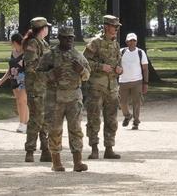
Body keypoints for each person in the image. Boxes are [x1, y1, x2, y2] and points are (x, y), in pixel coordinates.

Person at [36, 25, 90, 172]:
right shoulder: (50, 56)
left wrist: (82, 71)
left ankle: (78, 162)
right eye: (65, 38)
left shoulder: (78, 56)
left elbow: (87, 76)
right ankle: (56, 162)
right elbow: (37, 77)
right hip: (55, 99)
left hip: (73, 98)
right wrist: (51, 74)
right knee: (55, 130)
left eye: (71, 38)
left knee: (76, 129)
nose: (69, 40)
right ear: (59, 38)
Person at [84, 14, 123, 159]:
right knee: (94, 118)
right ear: (106, 27)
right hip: (96, 87)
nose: (117, 29)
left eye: (118, 27)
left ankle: (109, 148)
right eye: (115, 26)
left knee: (111, 119)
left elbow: (119, 62)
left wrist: (120, 69)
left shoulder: (116, 44)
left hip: (112, 88)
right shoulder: (95, 43)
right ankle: (94, 148)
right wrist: (100, 66)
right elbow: (85, 62)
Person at [22, 16, 51, 163]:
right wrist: (47, 70)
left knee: (45, 119)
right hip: (35, 87)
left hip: (44, 87)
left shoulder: (43, 43)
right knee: (36, 118)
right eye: (46, 27)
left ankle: (46, 150)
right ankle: (30, 150)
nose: (48, 29)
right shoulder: (33, 43)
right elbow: (30, 65)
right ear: (42, 29)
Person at [0, 32, 29, 133]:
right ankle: (24, 122)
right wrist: (2, 80)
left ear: (14, 42)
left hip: (23, 79)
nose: (10, 44)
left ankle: (23, 124)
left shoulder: (26, 52)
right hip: (14, 79)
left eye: (11, 42)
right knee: (18, 100)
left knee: (23, 101)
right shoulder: (13, 52)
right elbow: (10, 68)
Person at [118, 33, 149, 130]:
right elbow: (116, 64)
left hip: (137, 81)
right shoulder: (121, 52)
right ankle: (127, 115)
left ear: (136, 42)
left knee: (137, 103)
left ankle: (136, 122)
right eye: (130, 40)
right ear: (126, 42)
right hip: (123, 81)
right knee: (122, 102)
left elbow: (145, 69)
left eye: (134, 40)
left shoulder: (140, 52)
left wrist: (145, 83)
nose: (132, 42)